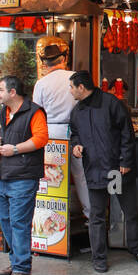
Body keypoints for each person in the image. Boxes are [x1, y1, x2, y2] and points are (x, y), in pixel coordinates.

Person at [69, 70, 138, 273]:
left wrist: (125, 161)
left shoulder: (111, 103)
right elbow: (75, 134)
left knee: (129, 211)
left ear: (81, 87)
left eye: (71, 87)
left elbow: (126, 132)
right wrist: (75, 147)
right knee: (96, 215)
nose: (70, 91)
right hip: (94, 169)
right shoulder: (77, 111)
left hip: (116, 169)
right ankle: (99, 258)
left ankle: (136, 248)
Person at [0, 75, 48, 275]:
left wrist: (15, 149)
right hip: (2, 174)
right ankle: (16, 261)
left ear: (13, 92)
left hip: (23, 176)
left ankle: (22, 267)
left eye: (0, 90)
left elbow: (41, 138)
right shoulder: (2, 113)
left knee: (19, 223)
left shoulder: (34, 112)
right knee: (6, 221)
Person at [32, 37, 91, 219]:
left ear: (44, 63)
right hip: (78, 134)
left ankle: (54, 218)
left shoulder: (41, 84)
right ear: (63, 59)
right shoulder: (75, 79)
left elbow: (36, 114)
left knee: (54, 177)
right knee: (82, 177)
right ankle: (91, 218)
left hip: (51, 134)